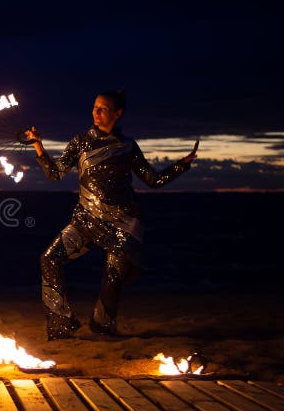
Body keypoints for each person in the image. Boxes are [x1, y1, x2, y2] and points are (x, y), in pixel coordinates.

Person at [24, 90, 197, 340]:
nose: (96, 112)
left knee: (113, 275)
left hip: (122, 224)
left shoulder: (127, 148)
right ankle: (62, 324)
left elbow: (153, 180)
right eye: (94, 107)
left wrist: (183, 164)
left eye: (103, 108)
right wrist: (38, 145)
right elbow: (55, 174)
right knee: (49, 259)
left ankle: (103, 326)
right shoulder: (80, 142)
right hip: (85, 220)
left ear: (117, 113)